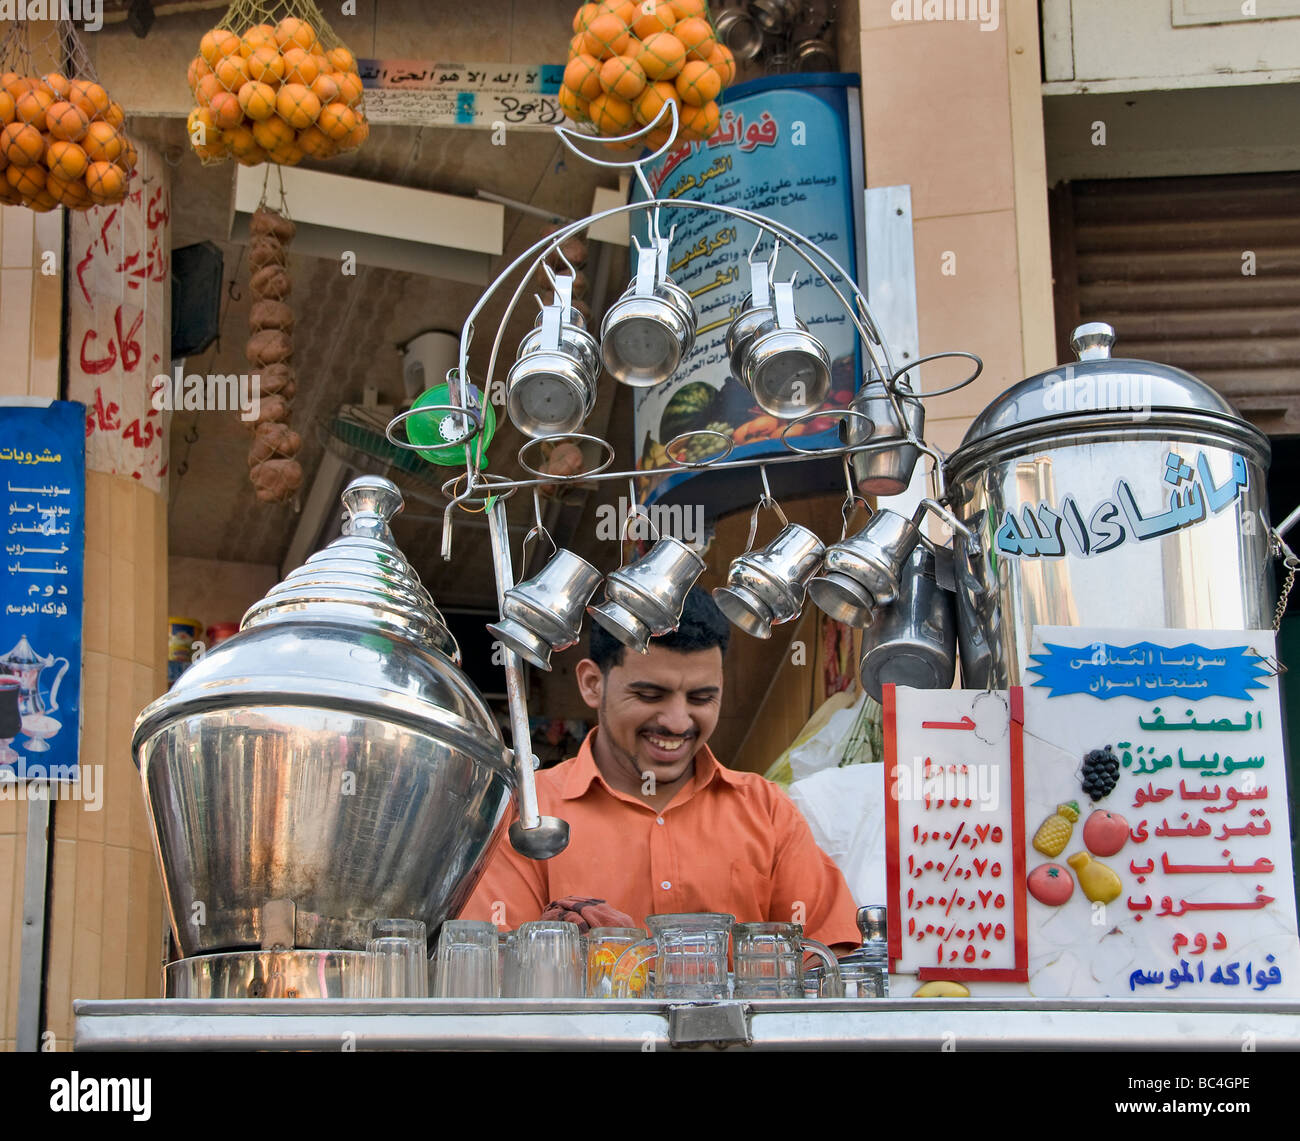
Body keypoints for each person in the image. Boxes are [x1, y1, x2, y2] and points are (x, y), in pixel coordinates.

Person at [459, 587, 861, 950]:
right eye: (650, 694)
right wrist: (562, 952)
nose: (676, 721)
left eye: (702, 698)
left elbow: (829, 956)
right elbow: (494, 972)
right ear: (591, 684)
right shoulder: (529, 813)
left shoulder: (768, 812)